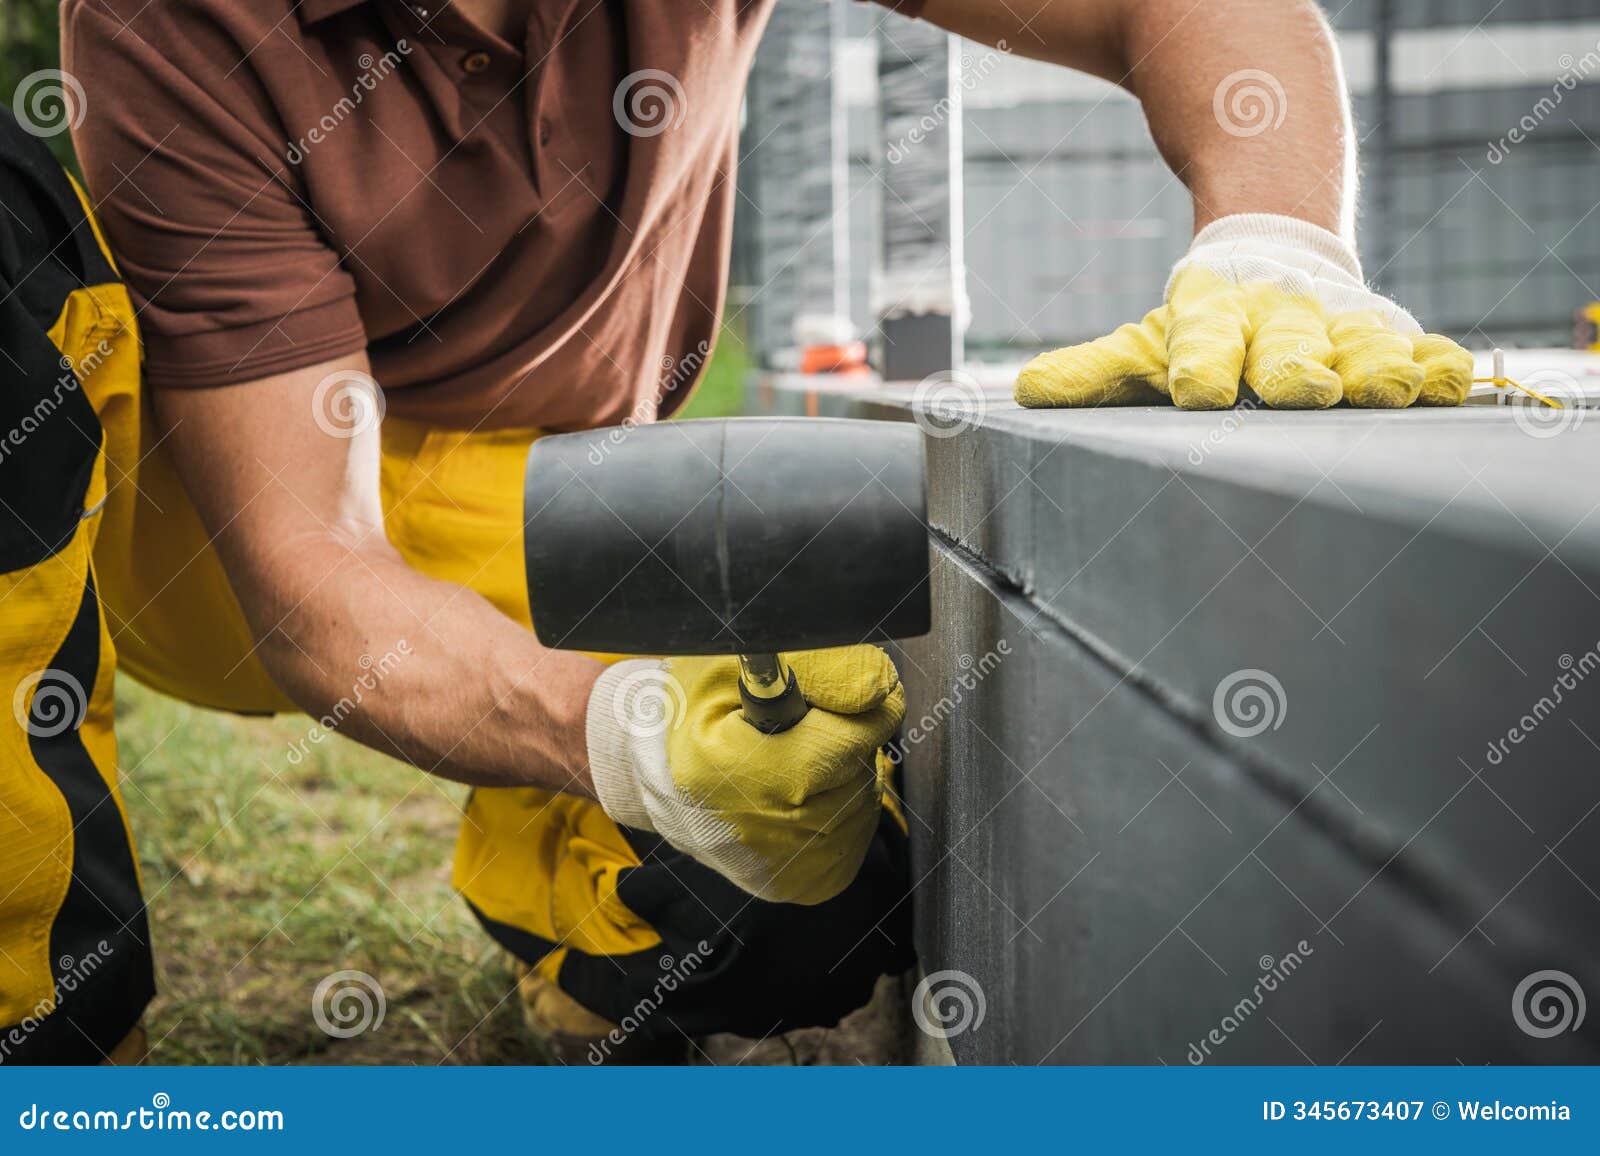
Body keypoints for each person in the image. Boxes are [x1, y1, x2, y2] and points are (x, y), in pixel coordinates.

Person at [29, 0, 1471, 1062]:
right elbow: (310, 584)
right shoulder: (169, 19)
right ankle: (36, 956)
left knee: (817, 864)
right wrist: (626, 733)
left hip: (557, 500)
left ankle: (557, 886)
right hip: (226, 521)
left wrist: (1278, 244)